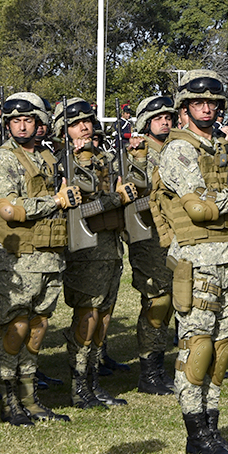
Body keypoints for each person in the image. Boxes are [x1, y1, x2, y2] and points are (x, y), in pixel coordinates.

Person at [152, 69, 228, 454]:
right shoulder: (178, 150)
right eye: (198, 102)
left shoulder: (219, 148)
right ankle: (196, 433)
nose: (207, 109)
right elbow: (200, 208)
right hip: (197, 261)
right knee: (196, 346)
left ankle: (212, 427)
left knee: (221, 347)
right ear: (184, 108)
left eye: (213, 103)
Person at [0, 91, 79, 424]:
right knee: (15, 327)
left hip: (49, 257)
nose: (22, 126)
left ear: (39, 123)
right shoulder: (2, 159)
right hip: (17, 259)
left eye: (28, 120)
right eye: (16, 121)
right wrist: (57, 201)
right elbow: (10, 209)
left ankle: (30, 397)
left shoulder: (48, 158)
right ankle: (9, 399)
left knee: (38, 327)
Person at [58, 97, 135, 410]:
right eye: (76, 124)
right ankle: (79, 386)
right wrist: (116, 199)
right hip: (85, 250)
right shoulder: (64, 162)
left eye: (87, 121)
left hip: (110, 247)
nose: (84, 127)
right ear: (64, 130)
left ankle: (93, 381)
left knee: (103, 317)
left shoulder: (105, 159)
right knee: (87, 317)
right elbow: (83, 205)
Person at [129, 94, 179, 395]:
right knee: (156, 302)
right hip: (149, 237)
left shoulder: (177, 148)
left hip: (176, 233)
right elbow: (136, 190)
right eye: (158, 118)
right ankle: (149, 372)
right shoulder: (137, 153)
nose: (165, 122)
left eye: (168, 117)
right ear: (146, 123)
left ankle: (161, 367)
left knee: (173, 299)